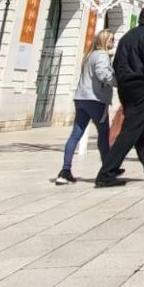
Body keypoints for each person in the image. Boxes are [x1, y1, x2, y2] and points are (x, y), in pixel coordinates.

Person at [94, 5, 144, 187]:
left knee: (138, 126)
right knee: (130, 129)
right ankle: (106, 172)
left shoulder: (127, 36)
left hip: (125, 87)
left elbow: (117, 62)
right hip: (141, 86)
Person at [57, 30, 115, 184]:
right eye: (111, 39)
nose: (113, 42)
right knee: (104, 133)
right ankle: (108, 168)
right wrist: (115, 80)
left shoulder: (89, 55)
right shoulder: (102, 56)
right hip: (96, 99)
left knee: (76, 133)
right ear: (104, 40)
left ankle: (65, 170)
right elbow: (103, 74)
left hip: (81, 98)